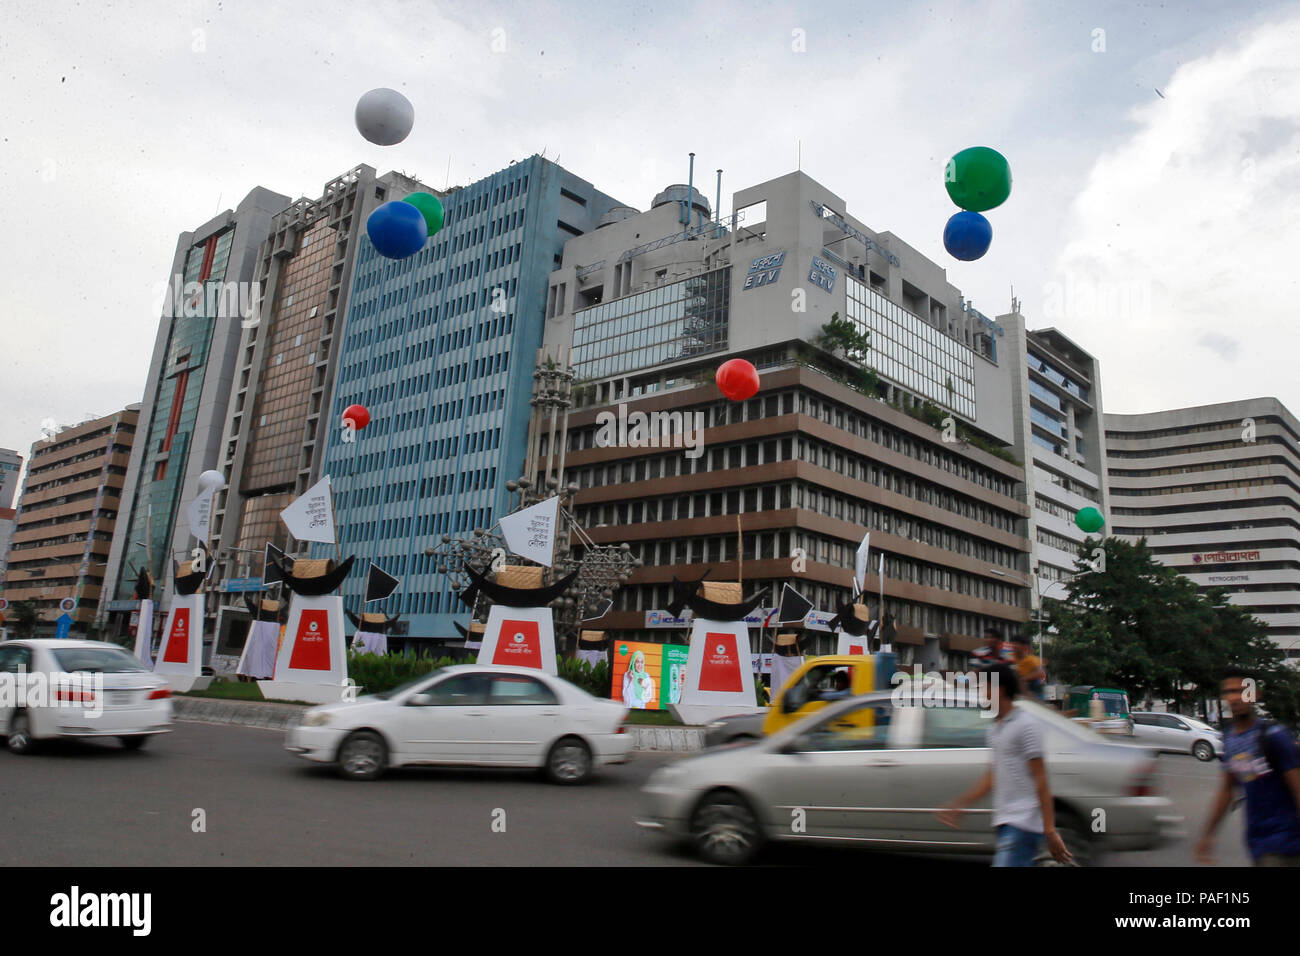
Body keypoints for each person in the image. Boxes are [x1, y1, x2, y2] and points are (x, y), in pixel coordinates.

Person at [937, 664, 1072, 866]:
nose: (981, 693)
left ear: (999, 689)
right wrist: (961, 804)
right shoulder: (995, 728)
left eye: (984, 687)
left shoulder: (1026, 725)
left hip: (1023, 823)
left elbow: (1041, 780)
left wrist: (1050, 830)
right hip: (1005, 822)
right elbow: (992, 777)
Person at [1195, 668, 1300, 866]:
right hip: (1257, 842)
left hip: (1286, 842)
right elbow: (1227, 790)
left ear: (1254, 695)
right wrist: (1208, 834)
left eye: (1241, 691)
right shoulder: (1230, 739)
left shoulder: (1275, 736)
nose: (1235, 697)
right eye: (1229, 692)